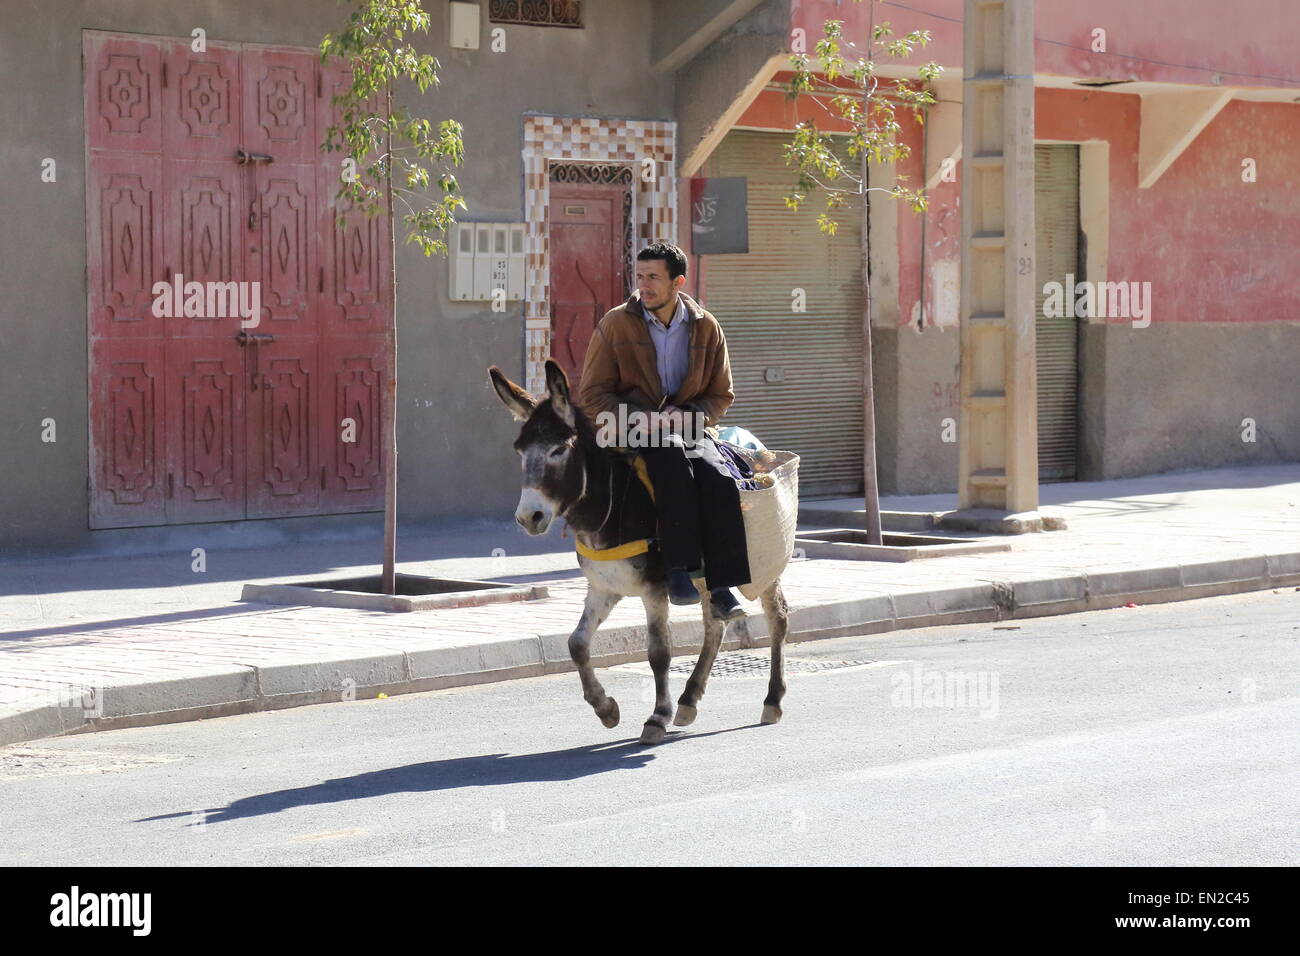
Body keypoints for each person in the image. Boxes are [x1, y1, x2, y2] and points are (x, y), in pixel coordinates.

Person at [576, 241, 749, 622]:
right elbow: (591, 394)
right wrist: (639, 416)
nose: (644, 285)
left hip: (689, 427)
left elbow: (721, 394)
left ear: (678, 282)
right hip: (630, 431)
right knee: (669, 458)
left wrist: (686, 414)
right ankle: (678, 571)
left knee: (719, 476)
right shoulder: (615, 323)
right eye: (640, 276)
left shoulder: (706, 326)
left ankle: (722, 587)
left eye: (654, 277)